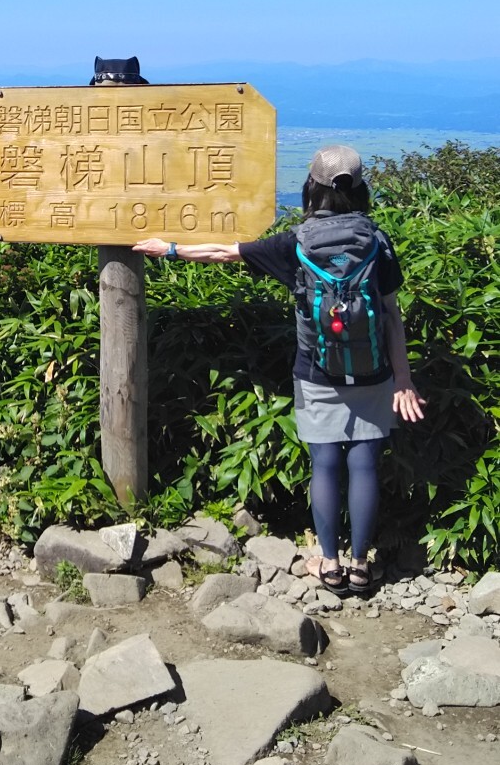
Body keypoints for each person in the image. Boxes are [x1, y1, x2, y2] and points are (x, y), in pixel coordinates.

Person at [133, 144, 425, 596]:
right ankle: (361, 567)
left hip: (316, 369)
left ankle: (329, 565)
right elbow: (391, 314)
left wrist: (168, 248)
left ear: (311, 187)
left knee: (325, 464)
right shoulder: (377, 241)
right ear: (360, 189)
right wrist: (402, 380)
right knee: (364, 463)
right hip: (374, 372)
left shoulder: (297, 242)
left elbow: (223, 252)